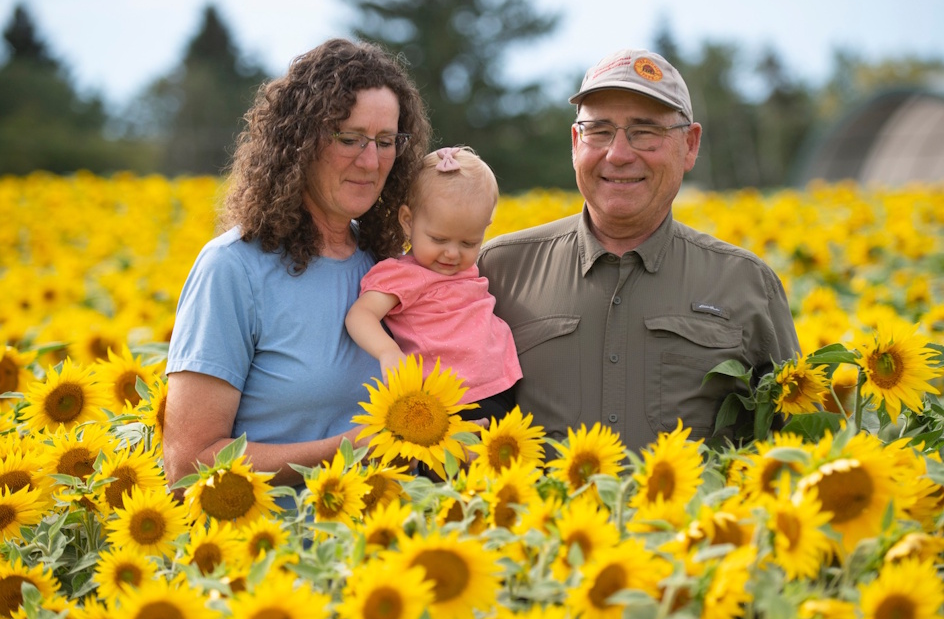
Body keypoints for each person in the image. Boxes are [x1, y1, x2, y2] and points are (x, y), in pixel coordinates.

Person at [477, 48, 800, 453]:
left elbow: (796, 446)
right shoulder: (500, 271)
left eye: (645, 131)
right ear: (576, 143)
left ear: (690, 145)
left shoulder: (747, 283)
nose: (619, 154)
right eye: (599, 131)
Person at [163, 38, 431, 489]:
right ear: (299, 141)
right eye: (349, 139)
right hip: (276, 550)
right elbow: (188, 464)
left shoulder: (390, 264)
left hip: (393, 547)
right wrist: (353, 450)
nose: (371, 161)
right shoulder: (233, 269)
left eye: (386, 142)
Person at [345, 146, 521, 422]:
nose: (452, 253)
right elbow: (360, 315)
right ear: (408, 221)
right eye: (439, 240)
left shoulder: (467, 266)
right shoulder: (403, 274)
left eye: (468, 243)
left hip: (503, 382)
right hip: (451, 399)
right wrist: (388, 352)